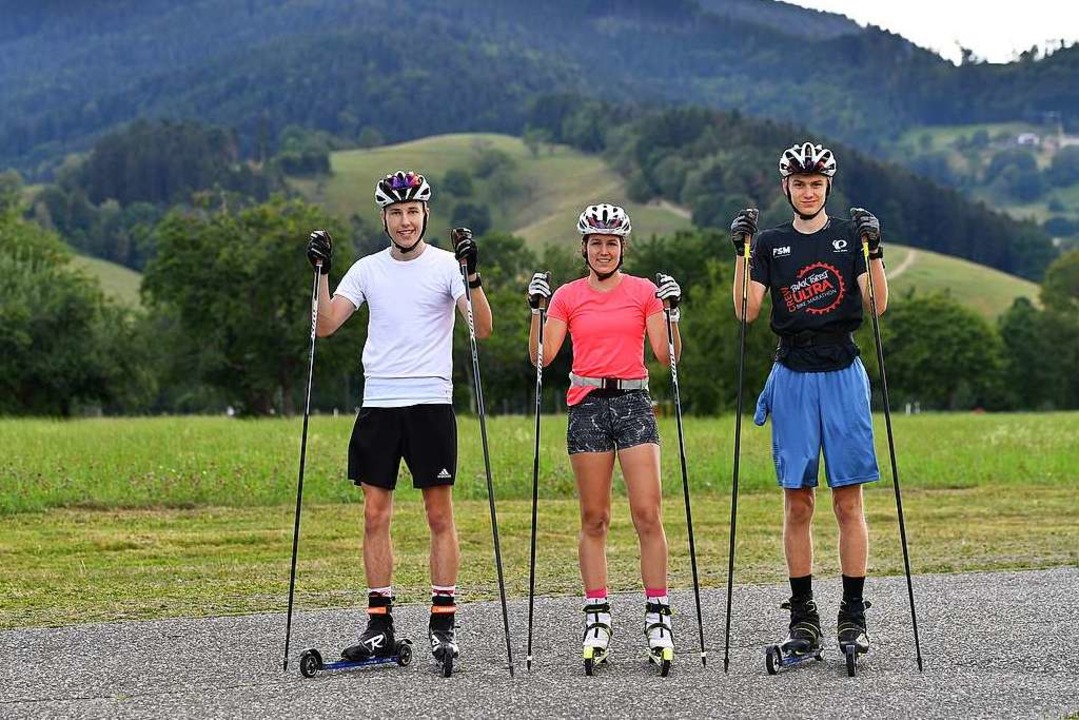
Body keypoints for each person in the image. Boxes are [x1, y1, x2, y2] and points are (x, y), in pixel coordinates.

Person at [305, 169, 492, 668]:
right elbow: (325, 325)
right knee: (374, 514)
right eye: (395, 212)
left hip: (430, 402)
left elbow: (482, 328)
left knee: (439, 514)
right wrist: (321, 271)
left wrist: (472, 275)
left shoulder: (447, 265)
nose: (404, 221)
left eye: (412, 211)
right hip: (379, 402)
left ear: (425, 214)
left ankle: (443, 622)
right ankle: (379, 626)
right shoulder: (367, 269)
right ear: (383, 217)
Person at [729, 141, 888, 659]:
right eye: (799, 183)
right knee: (798, 501)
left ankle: (853, 614)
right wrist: (742, 254)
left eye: (816, 184)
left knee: (848, 500)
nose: (808, 191)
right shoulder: (771, 243)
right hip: (793, 371)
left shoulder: (846, 237)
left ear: (827, 186)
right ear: (786, 187)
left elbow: (876, 304)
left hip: (842, 369)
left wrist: (875, 251)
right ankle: (803, 617)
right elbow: (747, 310)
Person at [526, 203, 683, 673]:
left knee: (647, 513)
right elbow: (542, 357)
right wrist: (536, 311)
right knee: (594, 518)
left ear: (622, 247)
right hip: (587, 404)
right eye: (596, 243)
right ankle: (597, 616)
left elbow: (667, 355)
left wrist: (673, 313)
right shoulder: (567, 296)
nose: (604, 250)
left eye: (611, 243)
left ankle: (658, 617)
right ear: (584, 247)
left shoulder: (644, 292)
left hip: (634, 402)